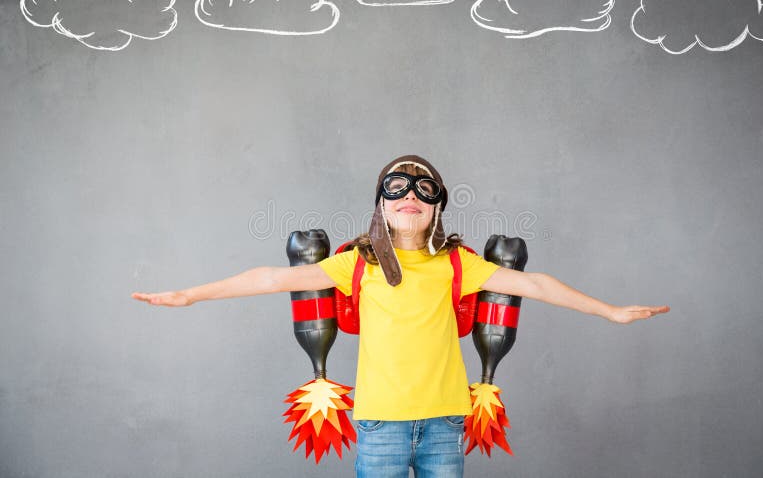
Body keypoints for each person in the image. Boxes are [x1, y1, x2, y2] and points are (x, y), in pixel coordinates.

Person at [132, 154, 670, 478]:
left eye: (422, 189)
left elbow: (535, 284)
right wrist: (191, 295)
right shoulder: (356, 263)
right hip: (381, 425)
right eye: (397, 188)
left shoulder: (456, 262)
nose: (409, 195)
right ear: (381, 205)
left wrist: (609, 312)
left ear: (437, 206)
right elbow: (270, 278)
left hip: (443, 423)